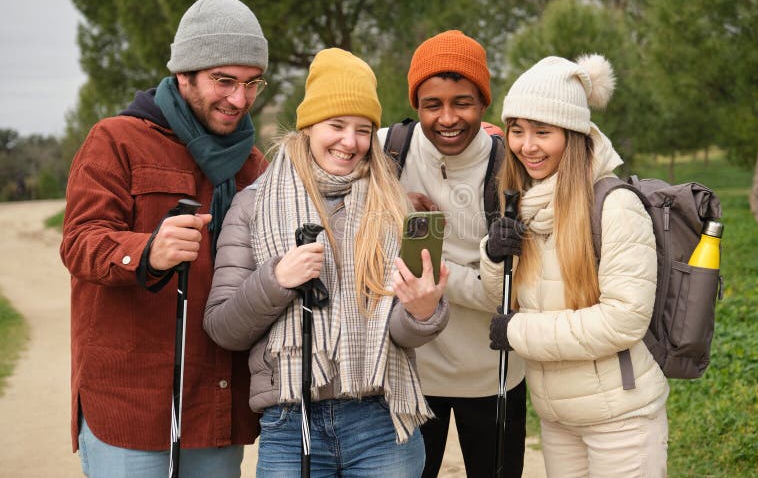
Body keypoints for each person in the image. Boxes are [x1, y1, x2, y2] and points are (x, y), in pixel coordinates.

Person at [204, 47, 450, 477]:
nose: (349, 142)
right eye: (336, 125)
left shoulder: (394, 207)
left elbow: (402, 332)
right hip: (288, 423)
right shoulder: (253, 206)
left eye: (362, 130)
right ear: (309, 126)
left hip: (381, 421)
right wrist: (278, 279)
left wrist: (423, 311)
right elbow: (223, 328)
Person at [60, 0, 269, 477]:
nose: (239, 99)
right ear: (184, 74)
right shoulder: (115, 141)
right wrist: (146, 250)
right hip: (130, 408)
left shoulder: (254, 165)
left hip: (217, 402)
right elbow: (79, 242)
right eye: (224, 81)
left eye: (251, 83)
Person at [481, 54, 670, 477]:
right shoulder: (524, 204)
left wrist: (519, 332)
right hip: (557, 417)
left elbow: (623, 320)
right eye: (517, 131)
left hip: (621, 419)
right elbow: (507, 300)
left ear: (573, 134)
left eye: (542, 132)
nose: (527, 146)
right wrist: (495, 258)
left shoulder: (615, 206)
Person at [378, 30, 527, 477]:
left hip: (495, 372)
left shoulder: (513, 165)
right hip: (410, 372)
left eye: (462, 102)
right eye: (432, 104)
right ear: (415, 104)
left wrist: (433, 276)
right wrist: (394, 212)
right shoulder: (386, 151)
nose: (447, 118)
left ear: (483, 103)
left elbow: (513, 290)